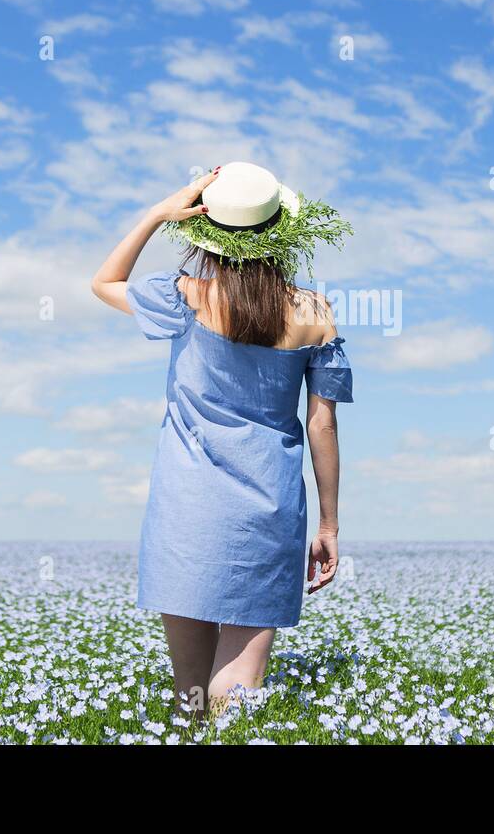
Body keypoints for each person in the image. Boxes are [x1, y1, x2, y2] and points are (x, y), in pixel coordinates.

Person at [91, 161, 354, 717]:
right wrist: (328, 523)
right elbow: (322, 426)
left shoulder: (184, 296)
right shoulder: (313, 312)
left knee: (189, 690)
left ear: (208, 236)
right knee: (238, 685)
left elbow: (104, 282)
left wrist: (161, 213)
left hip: (186, 507)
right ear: (283, 235)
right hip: (271, 506)